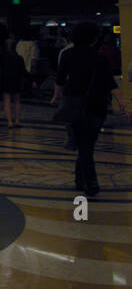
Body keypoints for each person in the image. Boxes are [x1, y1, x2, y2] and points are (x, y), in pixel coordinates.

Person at [55, 20, 126, 198]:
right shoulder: (99, 57)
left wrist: (56, 97)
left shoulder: (67, 55)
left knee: (83, 145)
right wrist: (122, 102)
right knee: (88, 144)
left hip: (74, 105)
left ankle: (86, 181)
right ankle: (86, 181)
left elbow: (60, 80)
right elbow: (110, 82)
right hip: (97, 105)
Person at [0, 37, 26, 129]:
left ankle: (9, 121)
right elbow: (23, 72)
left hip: (6, 80)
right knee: (17, 101)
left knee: (7, 101)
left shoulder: (2, 58)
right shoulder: (19, 58)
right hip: (17, 80)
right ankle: (17, 121)